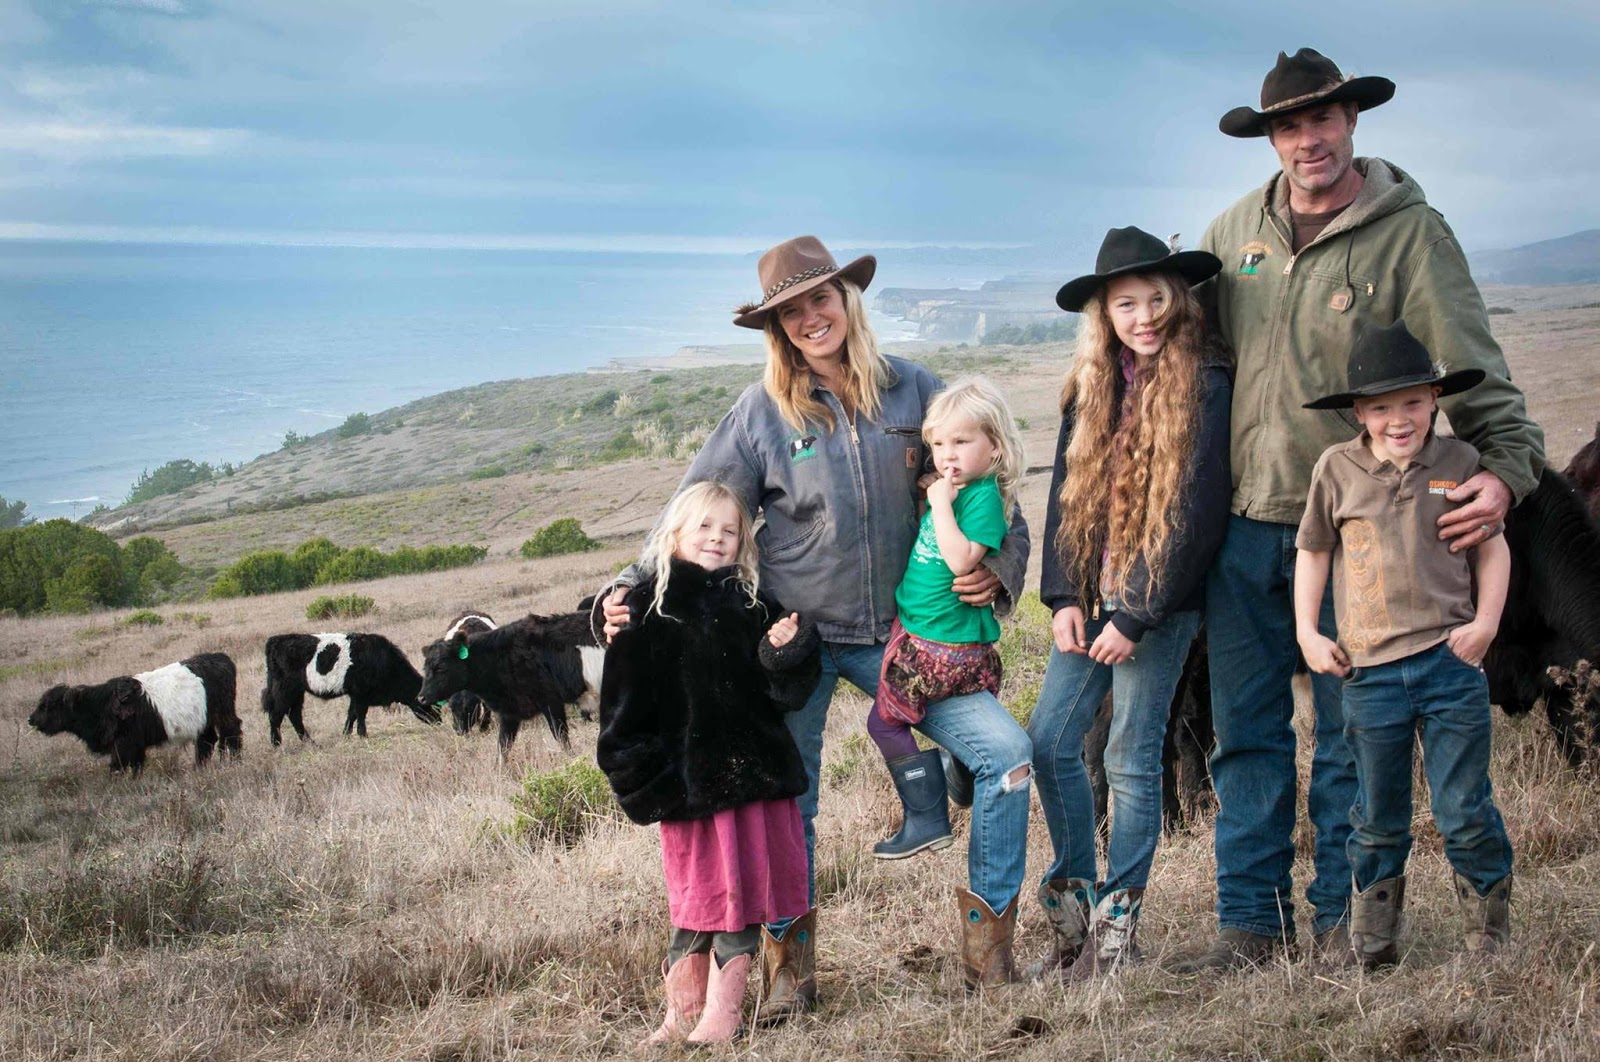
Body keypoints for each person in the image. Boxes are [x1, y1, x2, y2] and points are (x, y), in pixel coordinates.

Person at [1179, 47, 1545, 970]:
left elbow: (1478, 369)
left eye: (1323, 119)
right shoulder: (1232, 235)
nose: (1309, 139)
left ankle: (1346, 917)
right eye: (1289, 125)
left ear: (1353, 122)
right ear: (1270, 137)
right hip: (1242, 531)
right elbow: (1178, 370)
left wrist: (1503, 474)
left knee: (1349, 736)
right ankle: (1250, 924)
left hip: (1359, 537)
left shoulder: (1410, 234)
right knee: (1247, 735)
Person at [597, 235, 1034, 1003]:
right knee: (786, 800)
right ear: (777, 329)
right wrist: (622, 591)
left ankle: (990, 960)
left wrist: (1000, 570)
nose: (809, 319)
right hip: (793, 642)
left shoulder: (914, 392)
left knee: (1007, 756)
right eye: (790, 312)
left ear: (847, 299)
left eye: (819, 300)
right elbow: (692, 509)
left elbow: (996, 488)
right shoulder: (761, 414)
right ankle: (788, 976)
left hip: (907, 638)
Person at [1028, 227, 1232, 981]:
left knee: (1130, 753)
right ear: (1103, 314)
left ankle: (1116, 938)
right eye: (1125, 304)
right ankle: (1075, 919)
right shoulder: (1091, 385)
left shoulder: (1206, 379)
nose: (1143, 316)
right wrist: (1062, 597)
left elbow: (1197, 515)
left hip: (1159, 603)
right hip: (1093, 597)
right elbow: (1063, 498)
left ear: (1177, 300)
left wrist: (1138, 614)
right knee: (1050, 740)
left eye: (1155, 299)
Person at [1295, 319, 1514, 968]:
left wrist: (1486, 625)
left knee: (1463, 806)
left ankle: (1487, 938)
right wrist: (1309, 632)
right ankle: (1375, 943)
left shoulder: (1459, 464)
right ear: (1359, 413)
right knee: (1377, 816)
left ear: (1435, 401)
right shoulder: (1336, 470)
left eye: (1414, 401)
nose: (1400, 418)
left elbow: (1493, 550)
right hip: (1371, 673)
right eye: (1383, 406)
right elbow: (1314, 553)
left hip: (1451, 665)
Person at [595, 480, 819, 1046]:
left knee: (742, 895)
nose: (716, 539)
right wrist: (642, 781)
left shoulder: (754, 605)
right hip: (686, 788)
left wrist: (783, 651)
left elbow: (785, 691)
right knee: (695, 899)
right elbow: (621, 707)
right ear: (674, 534)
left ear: (743, 540)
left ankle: (724, 1013)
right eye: (704, 528)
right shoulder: (643, 609)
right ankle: (679, 1014)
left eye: (729, 530)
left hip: (753, 781)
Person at [868, 377, 1024, 861]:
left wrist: (938, 504)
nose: (946, 455)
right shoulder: (963, 490)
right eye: (937, 444)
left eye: (961, 442)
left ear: (995, 447)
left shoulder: (982, 499)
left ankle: (927, 817)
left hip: (938, 644)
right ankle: (959, 767)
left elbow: (960, 560)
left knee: (884, 723)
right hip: (929, 632)